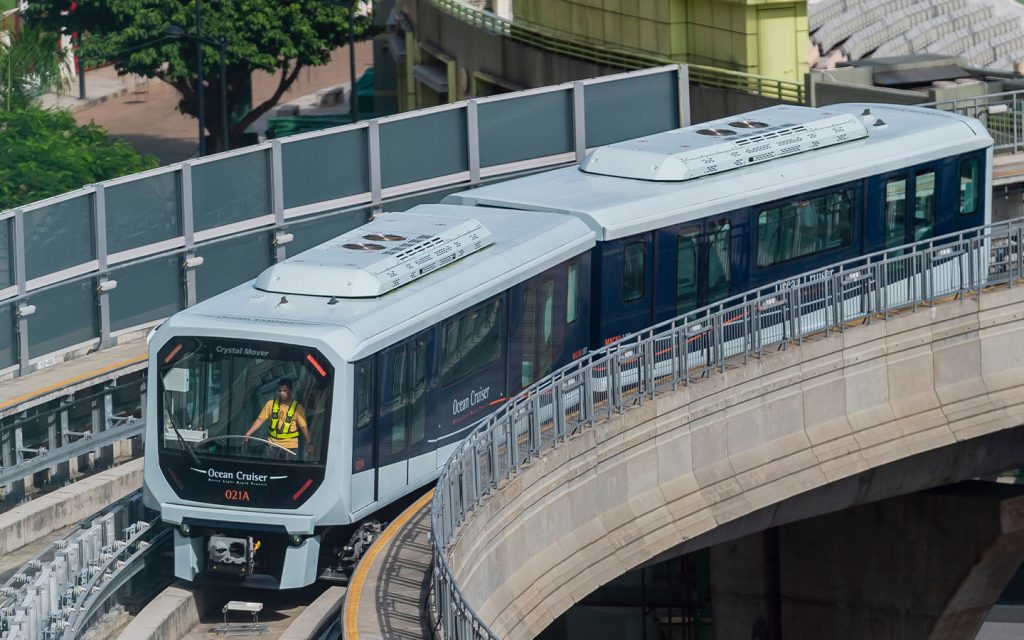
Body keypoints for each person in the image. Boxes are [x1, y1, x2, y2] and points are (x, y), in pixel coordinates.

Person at [243, 378, 315, 459]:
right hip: (272, 446)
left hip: (289, 448)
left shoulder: (298, 408)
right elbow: (260, 420)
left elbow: (303, 427)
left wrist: (310, 444)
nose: (281, 393)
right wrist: (248, 434)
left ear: (290, 391)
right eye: (280, 391)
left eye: (284, 391)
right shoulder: (271, 404)